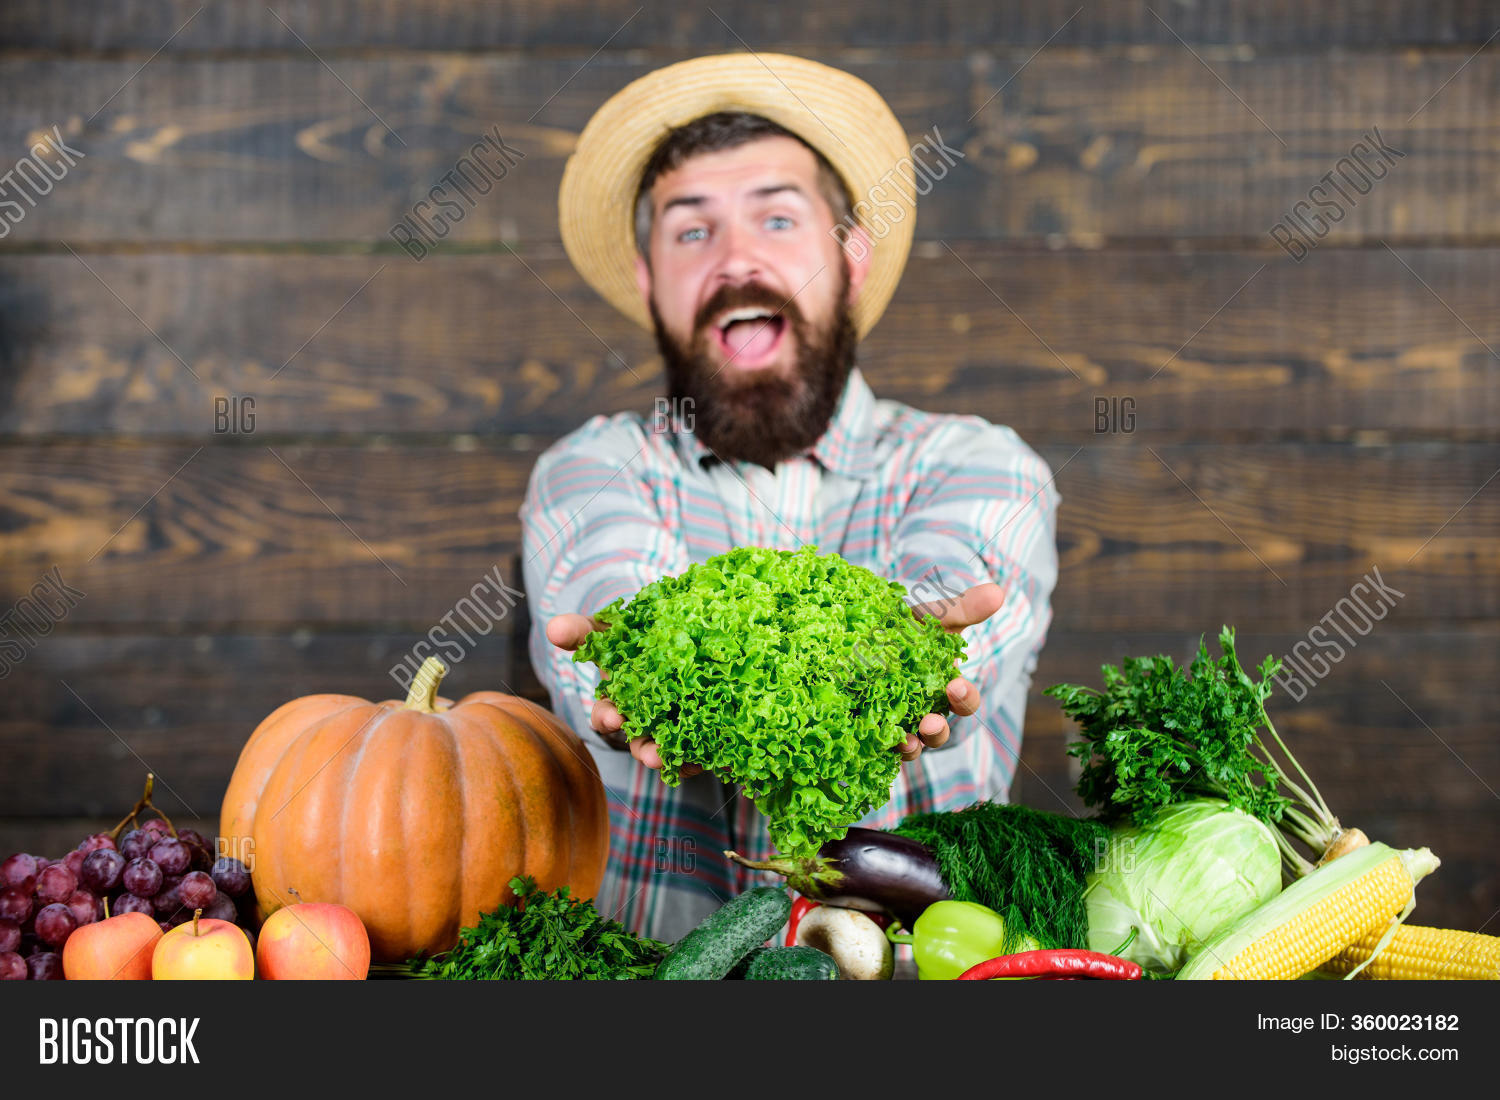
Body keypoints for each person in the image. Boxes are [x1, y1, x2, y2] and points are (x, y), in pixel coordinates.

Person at [521, 53, 1059, 942]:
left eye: (777, 218)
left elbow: (959, 575)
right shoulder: (590, 469)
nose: (737, 260)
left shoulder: (977, 461)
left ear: (850, 260)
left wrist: (922, 634)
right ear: (650, 280)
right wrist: (631, 655)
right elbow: (606, 578)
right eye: (691, 232)